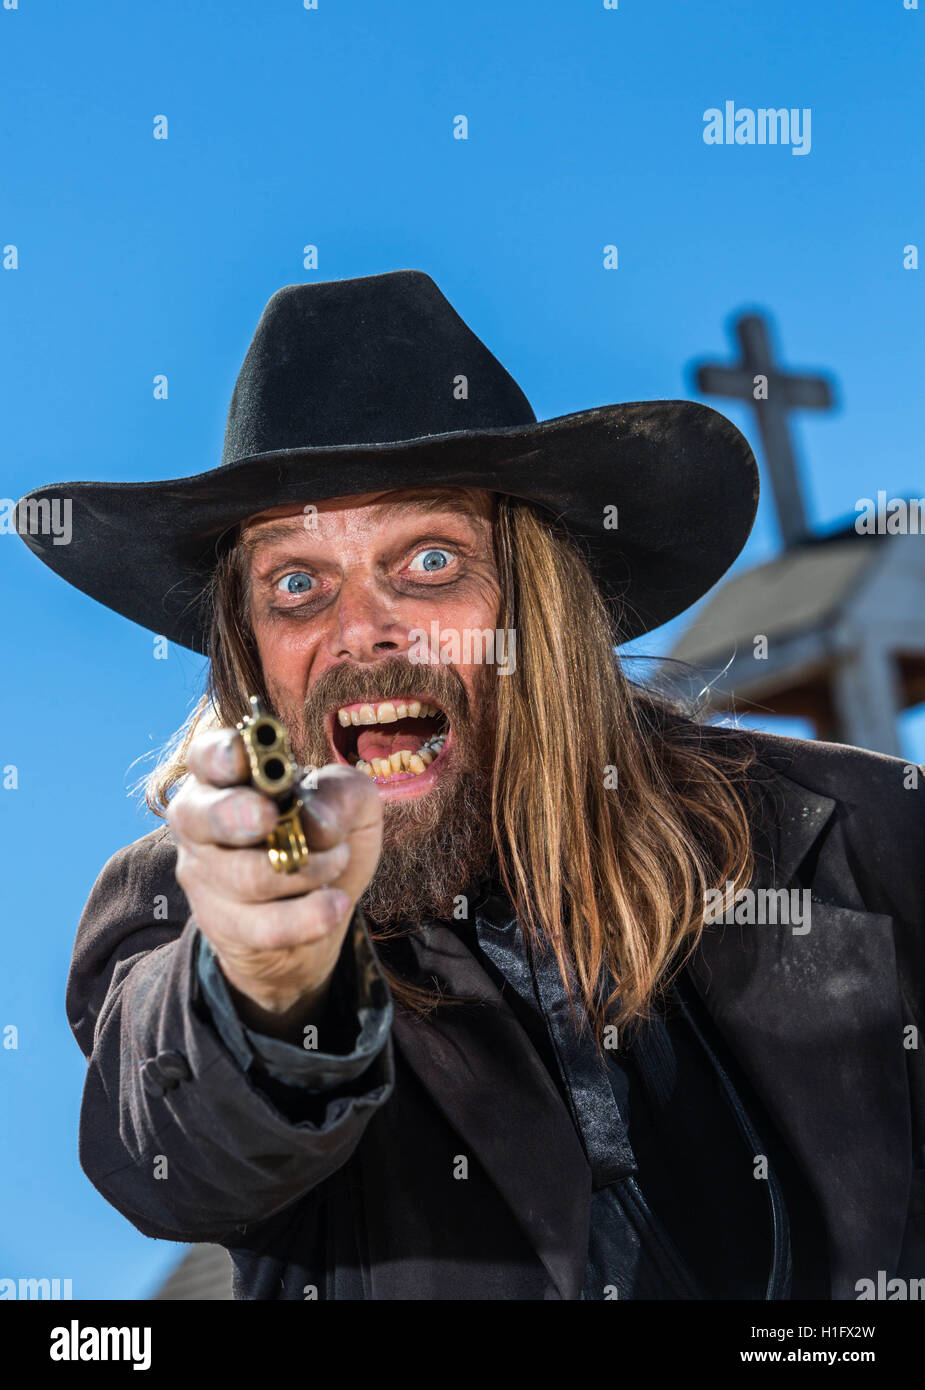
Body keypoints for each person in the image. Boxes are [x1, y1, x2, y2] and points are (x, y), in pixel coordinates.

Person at [18, 271, 924, 1300]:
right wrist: (265, 984)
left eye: (431, 559)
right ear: (250, 654)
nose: (361, 629)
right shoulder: (182, 905)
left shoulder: (867, 837)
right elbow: (180, 1147)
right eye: (297, 584)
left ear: (535, 604)